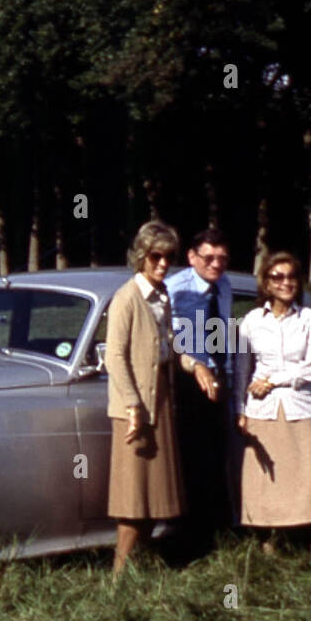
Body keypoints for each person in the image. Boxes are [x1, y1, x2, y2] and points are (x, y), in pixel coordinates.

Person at [106, 221, 218, 576]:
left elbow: (173, 346)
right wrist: (133, 405)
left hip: (161, 402)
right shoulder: (126, 298)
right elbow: (115, 357)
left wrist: (197, 366)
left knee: (155, 494)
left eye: (169, 257)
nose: (163, 263)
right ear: (141, 255)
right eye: (156, 256)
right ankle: (119, 575)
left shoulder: (163, 297)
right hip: (135, 408)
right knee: (132, 496)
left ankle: (149, 563)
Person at [235, 251, 311, 561]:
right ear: (266, 283)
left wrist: (274, 381)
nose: (285, 283)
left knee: (309, 475)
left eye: (291, 276)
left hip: (300, 407)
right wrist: (240, 411)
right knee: (266, 480)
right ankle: (269, 546)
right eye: (277, 277)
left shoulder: (310, 320)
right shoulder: (252, 321)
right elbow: (243, 368)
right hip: (261, 410)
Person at [165, 228, 236, 547]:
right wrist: (197, 365)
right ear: (192, 257)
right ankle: (190, 536)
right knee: (191, 457)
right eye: (209, 257)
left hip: (218, 376)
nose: (216, 264)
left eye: (222, 258)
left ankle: (218, 529)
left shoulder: (225, 285)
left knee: (217, 453)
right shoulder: (174, 289)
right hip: (187, 378)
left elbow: (222, 330)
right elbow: (172, 339)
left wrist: (226, 372)